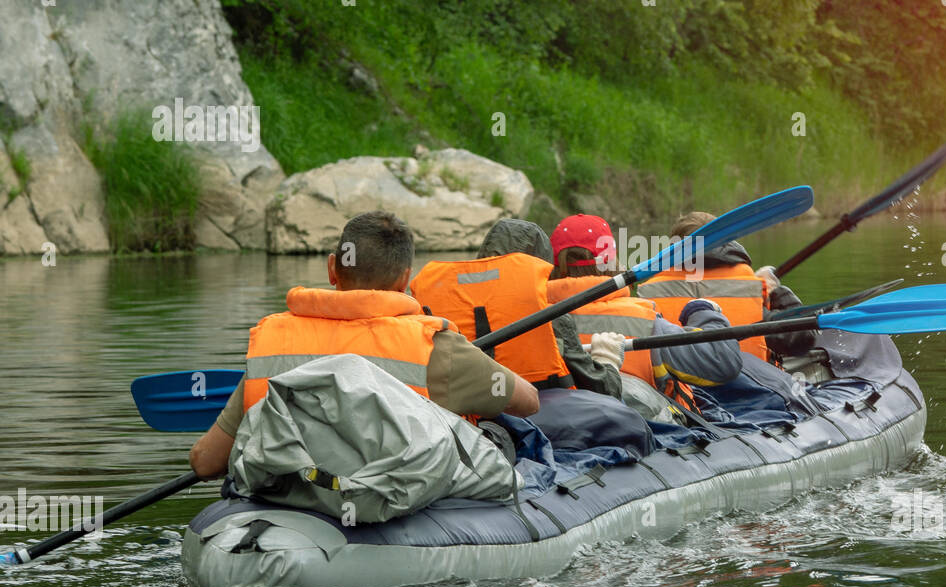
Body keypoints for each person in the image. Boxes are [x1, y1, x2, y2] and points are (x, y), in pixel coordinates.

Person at [189, 211, 539, 480]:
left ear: (331, 269)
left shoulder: (273, 342)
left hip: (285, 502)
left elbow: (205, 462)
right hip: (391, 508)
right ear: (405, 279)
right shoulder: (436, 346)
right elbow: (527, 401)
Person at [548, 214, 744, 416]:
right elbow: (723, 362)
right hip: (648, 435)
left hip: (558, 425)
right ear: (611, 263)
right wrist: (703, 312)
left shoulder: (529, 318)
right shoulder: (642, 323)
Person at [410, 219, 624, 400]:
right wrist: (608, 359)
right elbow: (605, 391)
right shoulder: (552, 317)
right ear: (539, 269)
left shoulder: (430, 312)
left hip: (465, 417)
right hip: (541, 419)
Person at [637, 211, 816, 363]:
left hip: (677, 398)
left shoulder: (648, 293)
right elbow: (804, 339)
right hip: (752, 392)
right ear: (726, 244)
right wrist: (776, 291)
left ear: (673, 249)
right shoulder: (749, 288)